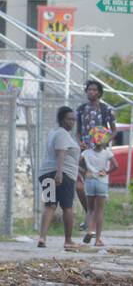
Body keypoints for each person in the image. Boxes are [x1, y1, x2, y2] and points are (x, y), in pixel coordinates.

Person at [75, 79, 116, 228]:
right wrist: (79, 141)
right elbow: (78, 131)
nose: (91, 92)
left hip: (99, 152)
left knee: (96, 184)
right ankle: (89, 213)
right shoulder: (80, 109)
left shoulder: (106, 109)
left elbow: (114, 129)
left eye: (94, 90)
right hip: (85, 151)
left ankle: (91, 221)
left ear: (99, 92)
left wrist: (106, 141)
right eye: (89, 89)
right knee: (79, 185)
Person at [38, 107, 80, 250]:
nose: (72, 122)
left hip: (46, 173)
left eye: (74, 119)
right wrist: (60, 173)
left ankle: (42, 237)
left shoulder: (53, 132)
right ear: (61, 119)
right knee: (67, 207)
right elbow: (61, 153)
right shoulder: (63, 134)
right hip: (63, 174)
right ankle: (68, 240)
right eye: (69, 119)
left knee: (49, 205)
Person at [79, 126, 117, 247]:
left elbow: (77, 164)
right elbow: (116, 165)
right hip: (101, 182)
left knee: (90, 210)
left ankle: (90, 231)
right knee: (99, 211)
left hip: (89, 182)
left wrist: (84, 172)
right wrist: (106, 172)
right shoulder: (107, 153)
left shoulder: (86, 153)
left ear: (92, 139)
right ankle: (97, 239)